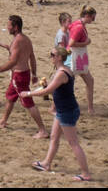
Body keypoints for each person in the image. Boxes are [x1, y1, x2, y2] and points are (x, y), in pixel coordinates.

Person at [22, 46, 91, 179]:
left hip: (67, 111)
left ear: (59, 57)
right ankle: (46, 163)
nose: (51, 57)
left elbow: (48, 91)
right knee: (54, 137)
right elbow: (55, 88)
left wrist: (29, 93)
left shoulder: (61, 73)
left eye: (53, 55)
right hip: (63, 109)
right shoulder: (64, 70)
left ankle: (86, 173)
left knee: (73, 143)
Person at [0, 14, 49, 138]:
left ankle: (42, 130)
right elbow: (32, 57)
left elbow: (13, 62)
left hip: (19, 76)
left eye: (9, 25)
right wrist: (34, 73)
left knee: (28, 102)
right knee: (10, 97)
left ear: (15, 27)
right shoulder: (26, 39)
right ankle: (3, 120)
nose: (7, 27)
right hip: (24, 73)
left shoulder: (17, 41)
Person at [66, 6, 97, 115]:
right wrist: (85, 43)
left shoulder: (78, 24)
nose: (93, 21)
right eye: (92, 18)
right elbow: (71, 43)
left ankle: (90, 108)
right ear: (87, 16)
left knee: (89, 81)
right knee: (66, 83)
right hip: (73, 58)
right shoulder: (79, 27)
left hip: (76, 58)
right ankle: (90, 108)